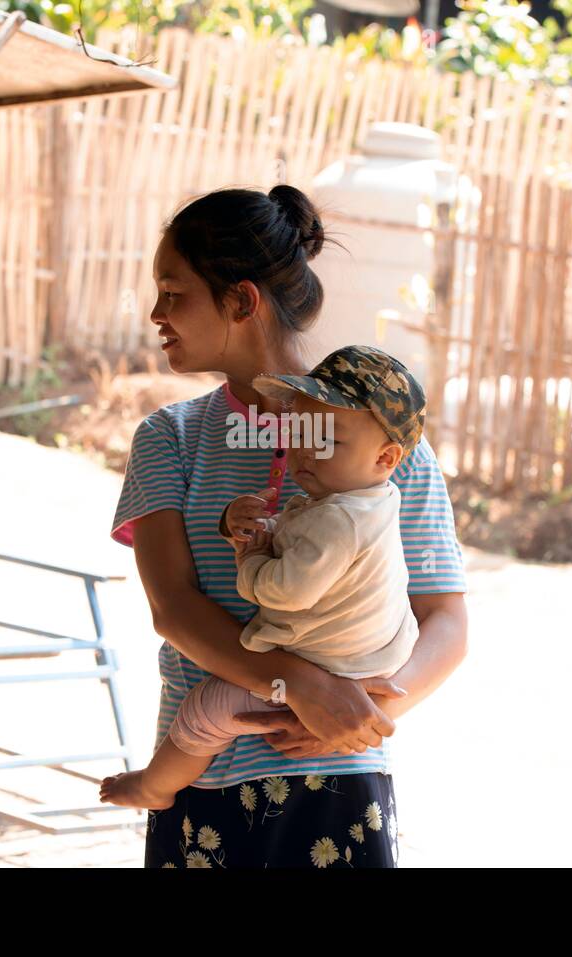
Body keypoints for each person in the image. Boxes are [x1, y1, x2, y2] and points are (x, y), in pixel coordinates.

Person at [107, 185, 469, 868]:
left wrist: (364, 708)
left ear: (241, 301)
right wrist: (294, 682)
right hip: (203, 780)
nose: (155, 313)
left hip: (341, 779)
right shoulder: (170, 440)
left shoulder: (389, 449)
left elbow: (445, 620)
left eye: (173, 292)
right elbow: (175, 609)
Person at [101, 346, 424, 811]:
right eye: (300, 432)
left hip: (329, 676)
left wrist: (247, 555)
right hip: (365, 676)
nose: (305, 450)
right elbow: (309, 548)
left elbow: (283, 589)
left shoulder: (338, 520)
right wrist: (248, 526)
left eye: (327, 440)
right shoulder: (369, 500)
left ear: (386, 457)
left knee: (207, 711)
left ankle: (156, 785)